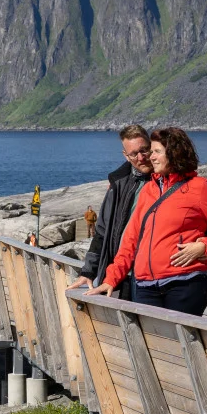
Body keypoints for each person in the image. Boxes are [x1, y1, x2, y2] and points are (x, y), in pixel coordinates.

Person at [88, 126, 207, 316]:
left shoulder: (200, 187)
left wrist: (203, 246)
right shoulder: (149, 190)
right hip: (144, 286)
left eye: (157, 151)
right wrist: (111, 279)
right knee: (152, 343)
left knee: (177, 343)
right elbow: (131, 241)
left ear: (174, 153)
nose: (151, 157)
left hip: (185, 282)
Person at [70, 124, 152, 299]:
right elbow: (102, 232)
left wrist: (201, 248)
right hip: (121, 274)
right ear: (126, 156)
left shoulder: (166, 180)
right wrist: (88, 272)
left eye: (144, 150)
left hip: (152, 275)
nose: (141, 157)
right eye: (134, 154)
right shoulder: (118, 183)